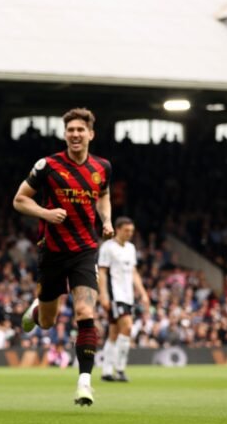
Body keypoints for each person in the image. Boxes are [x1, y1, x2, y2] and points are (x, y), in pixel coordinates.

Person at [13, 107, 113, 407]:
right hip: (52, 252)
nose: (76, 134)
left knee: (85, 312)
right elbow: (19, 200)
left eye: (81, 129)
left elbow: (104, 194)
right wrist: (45, 213)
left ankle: (84, 383)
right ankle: (35, 311)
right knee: (47, 321)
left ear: (91, 134)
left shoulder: (103, 167)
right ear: (65, 134)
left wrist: (106, 221)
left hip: (85, 250)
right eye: (71, 130)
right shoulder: (48, 166)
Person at [98, 216, 149, 382]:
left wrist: (143, 292)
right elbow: (103, 272)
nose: (129, 234)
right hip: (115, 295)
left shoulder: (131, 248)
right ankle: (119, 369)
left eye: (131, 231)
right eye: (126, 230)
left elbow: (133, 272)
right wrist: (103, 295)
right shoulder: (108, 247)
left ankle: (106, 371)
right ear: (118, 229)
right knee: (127, 327)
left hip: (128, 296)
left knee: (114, 332)